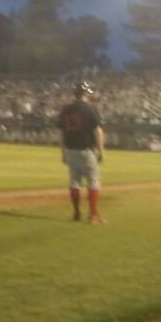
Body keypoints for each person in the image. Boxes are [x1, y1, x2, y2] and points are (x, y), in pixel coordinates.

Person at [57, 80, 106, 224]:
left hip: (70, 149)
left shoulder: (66, 109)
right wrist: (101, 151)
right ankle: (93, 215)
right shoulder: (90, 109)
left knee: (74, 181)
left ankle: (77, 213)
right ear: (85, 93)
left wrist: (62, 152)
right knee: (93, 181)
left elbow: (61, 133)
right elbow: (98, 131)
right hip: (86, 150)